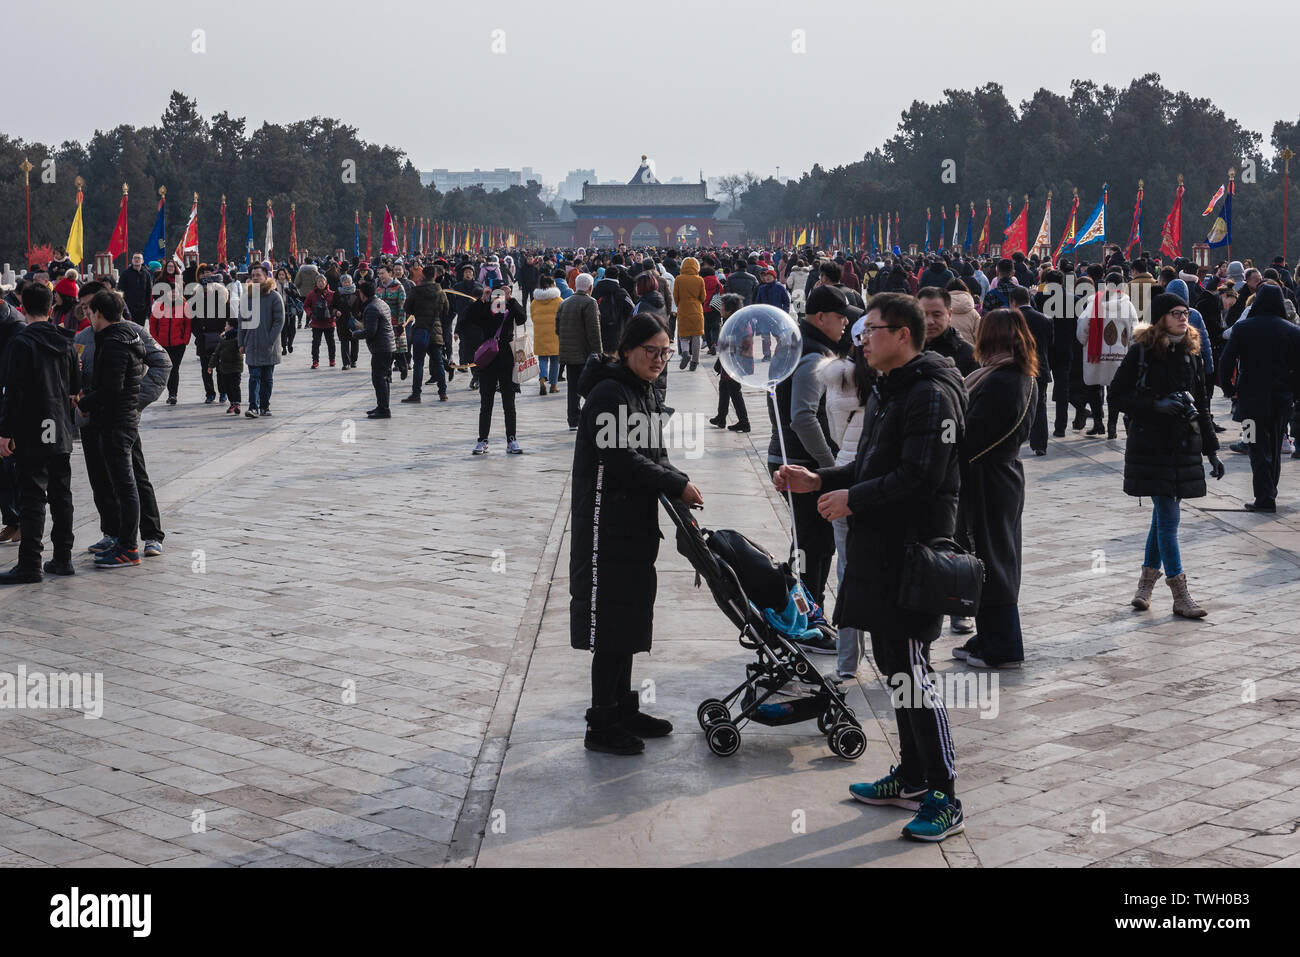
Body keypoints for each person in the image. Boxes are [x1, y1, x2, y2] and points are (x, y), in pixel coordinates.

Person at [775, 292, 966, 842]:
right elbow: (875, 462)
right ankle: (910, 775)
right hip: (881, 546)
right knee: (890, 660)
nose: (862, 341)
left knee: (911, 668)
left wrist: (854, 500)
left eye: (872, 331)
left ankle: (944, 792)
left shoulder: (931, 393)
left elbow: (922, 476)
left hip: (914, 549)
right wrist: (823, 479)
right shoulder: (891, 387)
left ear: (902, 334)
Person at [570, 313, 703, 755]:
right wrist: (672, 483)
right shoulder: (610, 392)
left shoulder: (640, 389)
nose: (660, 359)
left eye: (666, 351)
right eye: (652, 351)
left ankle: (624, 709)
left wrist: (680, 482)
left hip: (633, 524)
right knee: (609, 625)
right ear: (626, 349)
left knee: (627, 617)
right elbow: (620, 457)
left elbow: (655, 452)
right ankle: (601, 723)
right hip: (605, 525)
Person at [1110, 293, 1225, 615]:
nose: (1183, 318)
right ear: (1161, 317)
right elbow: (1116, 395)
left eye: (1186, 312)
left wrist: (1212, 449)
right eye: (1176, 313)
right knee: (1169, 518)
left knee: (1162, 517)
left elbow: (1202, 405)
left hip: (1184, 445)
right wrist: (1154, 405)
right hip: (1151, 445)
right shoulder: (1142, 352)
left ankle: (1145, 583)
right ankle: (1180, 594)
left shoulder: (1192, 354)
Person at [767, 284, 858, 644]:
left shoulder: (796, 343)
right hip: (803, 461)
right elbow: (803, 416)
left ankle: (802, 616)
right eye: (840, 319)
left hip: (792, 455)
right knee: (813, 544)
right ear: (821, 318)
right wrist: (828, 466)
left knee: (809, 542)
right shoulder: (813, 356)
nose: (844, 326)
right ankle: (806, 622)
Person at [952, 309, 1037, 668]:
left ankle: (1004, 646)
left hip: (988, 478)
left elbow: (972, 435)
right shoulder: (1014, 374)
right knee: (989, 555)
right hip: (999, 475)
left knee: (991, 559)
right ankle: (989, 635)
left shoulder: (1003, 380)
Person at [0, 283, 79, 583]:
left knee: (32, 496)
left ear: (22, 307)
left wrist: (5, 431)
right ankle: (63, 558)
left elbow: (14, 392)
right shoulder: (67, 342)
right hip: (60, 427)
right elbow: (74, 388)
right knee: (61, 494)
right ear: (51, 308)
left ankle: (31, 563)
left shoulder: (22, 343)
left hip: (33, 428)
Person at [818, 314, 873, 679]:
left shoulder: (839, 381)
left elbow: (836, 432)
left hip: (844, 472)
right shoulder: (896, 383)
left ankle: (847, 661)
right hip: (879, 481)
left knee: (847, 569)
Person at [75, 290, 147, 569]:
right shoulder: (123, 336)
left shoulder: (115, 343)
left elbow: (112, 388)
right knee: (121, 484)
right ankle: (121, 542)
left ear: (100, 314)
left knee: (125, 486)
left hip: (118, 421)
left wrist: (85, 403)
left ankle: (128, 547)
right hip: (118, 419)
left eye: (90, 313)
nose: (89, 318)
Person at [1218, 283, 1300, 512]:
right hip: (1281, 401)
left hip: (1249, 401)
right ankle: (1269, 491)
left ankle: (1263, 497)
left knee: (1254, 445)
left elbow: (1226, 361)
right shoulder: (1293, 331)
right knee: (1274, 445)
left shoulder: (1244, 328)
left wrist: (1228, 388)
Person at [1076, 273, 1139, 438]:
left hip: (1095, 354)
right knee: (1115, 389)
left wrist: (1084, 342)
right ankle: (1112, 425)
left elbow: (1083, 327)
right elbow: (1134, 331)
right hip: (1119, 354)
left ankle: (1098, 423)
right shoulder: (1128, 306)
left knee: (1093, 388)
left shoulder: (1093, 303)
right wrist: (1131, 351)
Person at [468, 285, 527, 454]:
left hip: (506, 360)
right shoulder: (485, 308)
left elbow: (522, 318)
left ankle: (511, 439)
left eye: (502, 293)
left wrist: (511, 299)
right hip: (487, 361)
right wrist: (483, 298)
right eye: (496, 293)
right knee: (486, 403)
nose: (498, 297)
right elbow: (470, 317)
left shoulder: (510, 307)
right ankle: (482, 440)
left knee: (509, 402)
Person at [1009, 286, 1053, 455]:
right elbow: (1050, 344)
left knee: (1016, 404)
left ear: (1013, 301)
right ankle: (1040, 444)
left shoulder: (1010, 319)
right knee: (1040, 404)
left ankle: (1017, 439)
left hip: (1016, 367)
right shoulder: (1045, 319)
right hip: (1039, 366)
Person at [238, 264, 285, 418]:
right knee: (254, 376)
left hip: (269, 344)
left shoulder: (274, 296)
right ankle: (253, 406)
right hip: (252, 343)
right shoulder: (247, 297)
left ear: (266, 277)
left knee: (267, 378)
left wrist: (269, 340)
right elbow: (241, 322)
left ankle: (265, 405)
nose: (256, 278)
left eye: (259, 275)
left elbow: (279, 321)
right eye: (253, 275)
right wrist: (241, 342)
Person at [556, 272, 602, 430]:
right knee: (592, 386)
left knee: (572, 387)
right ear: (591, 287)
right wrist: (599, 353)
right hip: (585, 353)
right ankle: (593, 416)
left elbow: (557, 329)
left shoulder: (564, 303)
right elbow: (594, 331)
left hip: (568, 353)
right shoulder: (590, 303)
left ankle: (573, 420)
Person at [402, 268, 448, 402]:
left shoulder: (416, 291)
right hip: (435, 330)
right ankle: (442, 392)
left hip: (421, 329)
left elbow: (407, 308)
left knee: (419, 364)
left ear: (422, 275)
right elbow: (446, 310)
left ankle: (416, 394)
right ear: (434, 275)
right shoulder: (440, 291)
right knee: (438, 362)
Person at [709, 293, 750, 432]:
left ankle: (744, 422)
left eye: (722, 306)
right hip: (735, 362)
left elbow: (730, 348)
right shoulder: (736, 320)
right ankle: (721, 417)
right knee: (724, 388)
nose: (720, 308)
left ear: (730, 309)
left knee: (734, 391)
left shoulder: (733, 324)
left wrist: (720, 355)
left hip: (734, 364)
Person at [150, 270, 191, 405]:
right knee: (166, 368)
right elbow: (153, 323)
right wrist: (155, 339)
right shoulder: (159, 305)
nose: (173, 294)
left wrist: (185, 339)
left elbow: (187, 324)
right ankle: (169, 392)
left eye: (175, 292)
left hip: (178, 343)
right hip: (162, 343)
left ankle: (173, 394)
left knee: (174, 368)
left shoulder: (184, 306)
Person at [356, 280, 395, 418]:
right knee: (383, 378)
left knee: (379, 379)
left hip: (381, 347)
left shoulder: (371, 307)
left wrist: (355, 334)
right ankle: (382, 406)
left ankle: (384, 410)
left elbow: (371, 331)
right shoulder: (381, 303)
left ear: (363, 294)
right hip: (387, 345)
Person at [529, 275, 563, 396]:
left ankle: (542, 378)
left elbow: (533, 317)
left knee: (542, 358)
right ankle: (553, 386)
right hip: (555, 334)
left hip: (540, 333)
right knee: (555, 360)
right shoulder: (559, 300)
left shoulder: (535, 301)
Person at [672, 256, 707, 369]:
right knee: (696, 336)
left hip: (683, 308)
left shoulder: (678, 279)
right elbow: (703, 297)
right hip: (696, 309)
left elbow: (675, 296)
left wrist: (679, 304)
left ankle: (686, 353)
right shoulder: (699, 279)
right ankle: (694, 361)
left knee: (684, 336)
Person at [210, 316, 244, 416]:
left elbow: (241, 350)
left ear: (232, 327)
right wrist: (211, 365)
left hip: (235, 366)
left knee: (235, 385)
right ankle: (232, 403)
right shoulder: (223, 337)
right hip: (224, 367)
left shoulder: (238, 337)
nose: (225, 327)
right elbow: (216, 353)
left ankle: (237, 403)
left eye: (226, 325)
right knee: (227, 386)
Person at [303, 273, 338, 370]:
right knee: (316, 343)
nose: (321, 283)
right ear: (316, 283)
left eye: (323, 281)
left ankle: (332, 359)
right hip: (316, 323)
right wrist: (310, 314)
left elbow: (336, 306)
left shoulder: (332, 294)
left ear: (326, 282)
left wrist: (334, 314)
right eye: (319, 281)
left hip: (329, 322)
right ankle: (315, 361)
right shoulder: (311, 294)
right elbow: (306, 305)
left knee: (331, 342)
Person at [334, 273, 360, 370]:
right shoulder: (338, 293)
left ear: (351, 282)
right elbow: (332, 306)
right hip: (342, 321)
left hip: (355, 321)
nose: (347, 283)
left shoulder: (357, 292)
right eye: (344, 282)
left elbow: (362, 305)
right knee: (344, 342)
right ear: (341, 283)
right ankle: (346, 362)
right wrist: (336, 312)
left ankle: (353, 360)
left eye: (348, 281)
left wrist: (361, 315)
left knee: (355, 341)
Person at [120, 253, 154, 324]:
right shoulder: (125, 274)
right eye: (135, 258)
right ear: (132, 260)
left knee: (140, 330)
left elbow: (149, 291)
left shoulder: (146, 274)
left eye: (139, 258)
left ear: (142, 261)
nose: (137, 260)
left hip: (142, 309)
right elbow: (120, 291)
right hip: (129, 308)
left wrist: (148, 308)